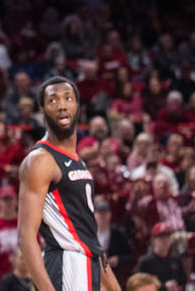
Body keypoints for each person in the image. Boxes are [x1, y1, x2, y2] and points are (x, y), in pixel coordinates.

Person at [17, 76, 120, 291]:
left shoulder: (77, 160)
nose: (62, 105)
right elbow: (26, 235)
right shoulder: (40, 160)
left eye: (67, 98)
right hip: (66, 265)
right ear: (42, 110)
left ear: (77, 106)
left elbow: (88, 238)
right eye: (53, 100)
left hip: (87, 265)